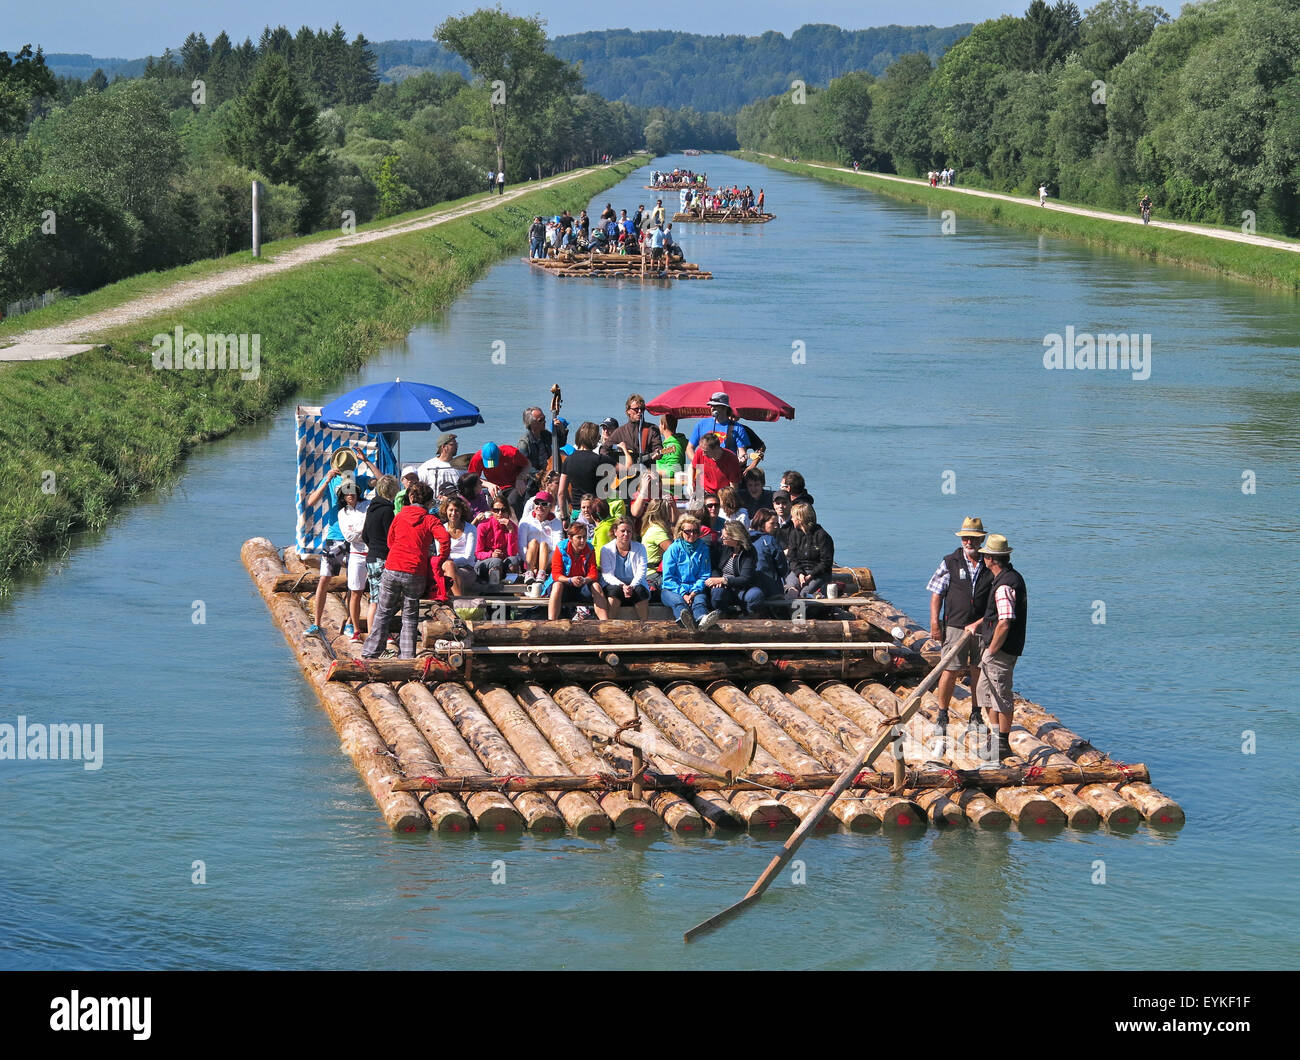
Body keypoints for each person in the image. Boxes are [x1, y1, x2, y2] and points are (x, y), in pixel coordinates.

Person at [362, 482, 449, 659]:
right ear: (429, 502)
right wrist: (439, 559)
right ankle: (407, 656)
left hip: (392, 567)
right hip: (415, 571)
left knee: (383, 612)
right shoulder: (429, 520)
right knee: (409, 616)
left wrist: (398, 552)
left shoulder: (400, 516)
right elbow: (445, 538)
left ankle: (370, 653)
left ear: (410, 497)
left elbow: (390, 541)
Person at [963, 534, 1027, 763]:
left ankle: (1003, 742)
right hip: (996, 649)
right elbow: (994, 615)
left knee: (1001, 695)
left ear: (991, 558)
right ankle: (995, 737)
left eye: (985, 556)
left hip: (1000, 651)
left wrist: (991, 651)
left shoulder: (1005, 585)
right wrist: (978, 624)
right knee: (987, 693)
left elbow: (1005, 621)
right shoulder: (1007, 578)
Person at [926, 517, 992, 734]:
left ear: (981, 539)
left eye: (973, 538)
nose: (969, 542)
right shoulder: (950, 561)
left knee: (978, 671)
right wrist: (935, 623)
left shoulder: (989, 563)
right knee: (950, 670)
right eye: (965, 538)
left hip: (982, 627)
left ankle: (976, 713)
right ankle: (942, 715)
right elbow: (937, 594)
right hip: (955, 625)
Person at [304, 448, 376, 637]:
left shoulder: (359, 480)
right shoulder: (332, 481)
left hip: (357, 541)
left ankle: (351, 622)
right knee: (324, 579)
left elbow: (382, 482)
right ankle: (317, 624)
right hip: (335, 536)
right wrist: (327, 479)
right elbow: (311, 501)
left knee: (354, 584)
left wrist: (367, 461)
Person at [660, 514, 719, 630]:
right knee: (679, 602)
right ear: (681, 531)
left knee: (700, 601)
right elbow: (668, 578)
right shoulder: (673, 549)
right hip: (673, 588)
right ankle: (686, 622)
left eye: (695, 531)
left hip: (694, 588)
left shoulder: (703, 548)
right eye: (688, 531)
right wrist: (684, 594)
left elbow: (704, 574)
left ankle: (702, 620)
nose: (692, 534)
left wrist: (694, 591)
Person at [361, 474, 400, 649]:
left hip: (371, 556)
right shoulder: (387, 511)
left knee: (375, 598)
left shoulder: (371, 508)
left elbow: (364, 535)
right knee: (380, 600)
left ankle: (375, 633)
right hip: (382, 557)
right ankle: (374, 636)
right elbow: (391, 537)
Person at [545, 521, 609, 620]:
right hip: (564, 585)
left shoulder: (590, 548)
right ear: (570, 538)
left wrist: (584, 580)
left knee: (596, 585)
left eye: (584, 537)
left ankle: (605, 623)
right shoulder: (561, 547)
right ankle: (551, 623)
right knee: (557, 585)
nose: (583, 540)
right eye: (579, 537)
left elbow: (593, 573)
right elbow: (556, 574)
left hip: (582, 585)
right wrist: (570, 580)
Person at [334, 481, 370, 641]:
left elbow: (370, 529)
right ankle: (356, 629)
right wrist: (363, 530)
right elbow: (349, 537)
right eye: (347, 493)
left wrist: (358, 531)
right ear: (343, 496)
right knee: (356, 591)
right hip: (356, 554)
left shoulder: (368, 505)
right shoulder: (342, 513)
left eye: (353, 492)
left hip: (373, 553)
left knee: (380, 594)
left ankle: (379, 630)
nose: (351, 495)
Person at [558, 421, 615, 520]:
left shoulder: (568, 460)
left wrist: (564, 517)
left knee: (576, 535)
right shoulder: (599, 459)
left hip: (577, 511)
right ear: (594, 439)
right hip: (596, 511)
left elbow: (561, 493)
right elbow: (627, 468)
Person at [706, 520, 764, 616]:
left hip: (742, 587)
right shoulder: (721, 546)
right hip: (723, 587)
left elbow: (745, 578)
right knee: (717, 595)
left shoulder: (749, 551)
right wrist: (716, 580)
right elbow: (714, 566)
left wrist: (723, 580)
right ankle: (723, 616)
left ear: (735, 538)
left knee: (756, 596)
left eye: (725, 537)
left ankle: (750, 619)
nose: (721, 538)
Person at [601, 516, 651, 620]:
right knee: (614, 591)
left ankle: (645, 626)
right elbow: (607, 575)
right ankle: (609, 626)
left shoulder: (640, 548)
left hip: (634, 583)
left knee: (640, 591)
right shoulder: (606, 549)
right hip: (614, 584)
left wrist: (631, 586)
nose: (626, 534)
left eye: (629, 531)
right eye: (622, 531)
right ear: (615, 532)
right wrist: (622, 585)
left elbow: (641, 572)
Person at [686, 392, 754, 464]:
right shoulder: (701, 424)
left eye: (715, 406)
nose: (712, 408)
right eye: (711, 405)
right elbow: (689, 448)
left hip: (725, 470)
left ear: (724, 408)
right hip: (702, 471)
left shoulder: (737, 428)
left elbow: (742, 453)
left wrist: (740, 461)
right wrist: (698, 464)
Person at [783, 503, 834, 598]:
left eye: (793, 517)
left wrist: (810, 576)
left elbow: (826, 562)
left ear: (800, 519)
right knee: (791, 590)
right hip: (799, 571)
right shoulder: (794, 534)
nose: (791, 519)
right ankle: (788, 609)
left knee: (805, 593)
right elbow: (791, 557)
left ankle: (804, 610)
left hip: (818, 574)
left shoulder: (822, 536)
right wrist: (800, 573)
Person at [467, 441, 532, 514]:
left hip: (513, 485)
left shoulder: (511, 453)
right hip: (495, 487)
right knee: (494, 509)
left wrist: (520, 478)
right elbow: (472, 478)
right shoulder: (477, 458)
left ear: (499, 454)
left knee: (511, 504)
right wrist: (488, 485)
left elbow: (527, 465)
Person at [518, 489, 563, 584]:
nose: (539, 506)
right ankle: (529, 572)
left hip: (548, 560)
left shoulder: (557, 523)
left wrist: (544, 562)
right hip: (529, 558)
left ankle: (541, 573)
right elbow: (521, 548)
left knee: (544, 544)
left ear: (550, 507)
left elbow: (557, 548)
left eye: (544, 504)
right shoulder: (525, 522)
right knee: (533, 542)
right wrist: (532, 564)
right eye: (537, 503)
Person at [608, 393, 663, 467]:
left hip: (647, 473)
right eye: (636, 409)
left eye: (642, 409)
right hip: (625, 475)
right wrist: (616, 467)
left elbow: (658, 447)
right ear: (628, 411)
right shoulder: (620, 432)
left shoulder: (652, 429)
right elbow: (605, 449)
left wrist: (658, 453)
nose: (640, 411)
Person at [438, 496, 477, 596]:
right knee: (448, 569)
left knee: (449, 571)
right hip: (446, 567)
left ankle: (456, 604)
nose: (453, 513)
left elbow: (468, 558)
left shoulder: (471, 529)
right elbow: (440, 554)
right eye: (451, 510)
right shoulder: (441, 529)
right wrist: (450, 564)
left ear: (462, 511)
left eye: (457, 510)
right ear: (445, 511)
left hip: (466, 569)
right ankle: (460, 604)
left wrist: (452, 563)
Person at [475, 497, 521, 582]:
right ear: (492, 511)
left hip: (505, 563)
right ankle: (494, 589)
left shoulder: (513, 527)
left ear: (508, 511)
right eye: (496, 510)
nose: (500, 513)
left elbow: (512, 553)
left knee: (514, 560)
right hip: (485, 564)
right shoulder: (483, 526)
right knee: (496, 562)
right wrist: (491, 554)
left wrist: (510, 531)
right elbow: (478, 553)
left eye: (503, 510)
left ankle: (511, 589)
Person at [747, 507, 788, 599]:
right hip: (771, 590)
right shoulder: (770, 540)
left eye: (777, 523)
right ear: (761, 524)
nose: (776, 526)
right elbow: (782, 568)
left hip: (748, 588)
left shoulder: (746, 539)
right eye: (772, 523)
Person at [638, 498, 677, 590]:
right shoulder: (658, 531)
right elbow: (675, 552)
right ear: (664, 513)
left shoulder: (651, 526)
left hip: (650, 573)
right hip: (654, 574)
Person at [691, 432, 743, 498]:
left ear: (716, 448)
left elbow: (733, 486)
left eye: (706, 451)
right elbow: (693, 467)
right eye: (702, 450)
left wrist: (729, 501)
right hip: (706, 491)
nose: (703, 454)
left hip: (724, 493)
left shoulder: (731, 459)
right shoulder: (700, 452)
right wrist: (691, 484)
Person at [655, 412, 688, 497]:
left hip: (670, 494)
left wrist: (655, 472)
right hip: (666, 491)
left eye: (660, 423)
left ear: (663, 425)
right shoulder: (670, 445)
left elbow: (673, 471)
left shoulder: (673, 446)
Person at [518, 406, 552, 477]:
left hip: (547, 476)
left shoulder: (546, 435)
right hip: (532, 481)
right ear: (532, 423)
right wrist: (541, 475)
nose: (544, 421)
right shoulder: (524, 443)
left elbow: (561, 443)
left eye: (544, 418)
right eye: (541, 420)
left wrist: (560, 430)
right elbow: (523, 465)